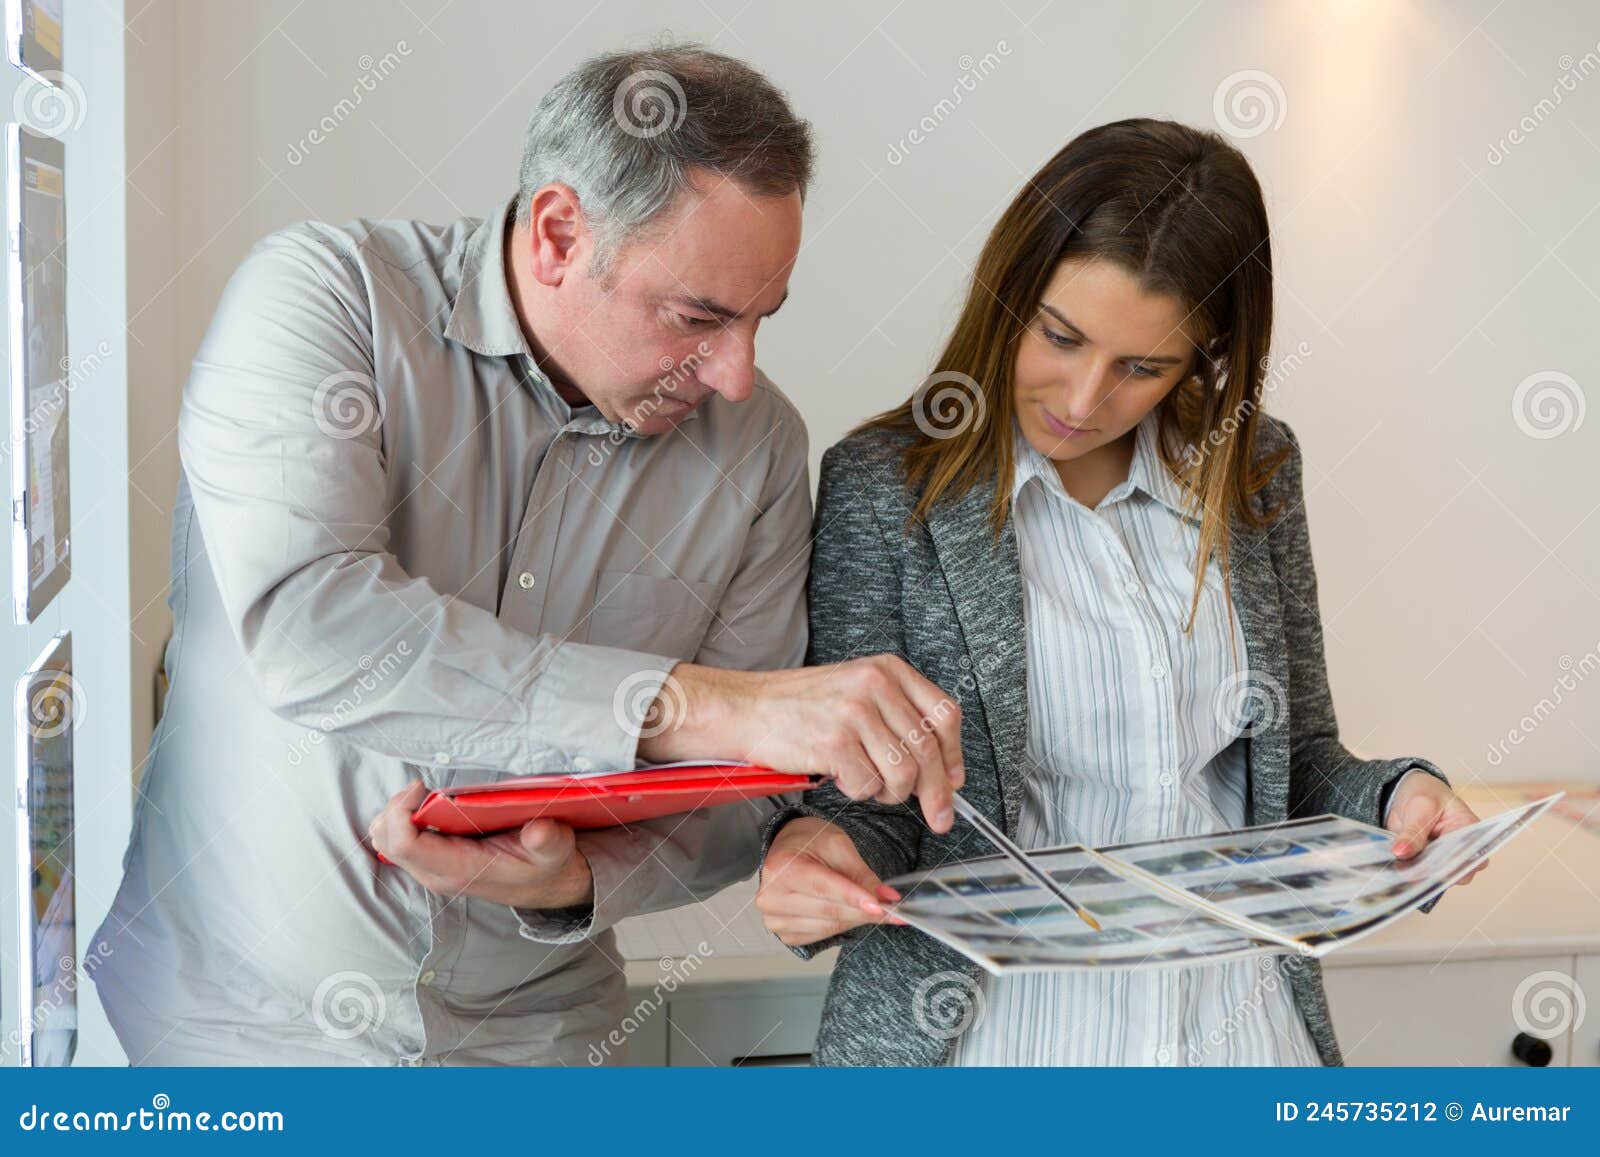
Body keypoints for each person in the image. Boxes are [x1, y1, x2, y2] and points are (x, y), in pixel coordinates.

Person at [89, 43, 962, 1067]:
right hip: (232, 1035)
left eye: (761, 319)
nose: (736, 375)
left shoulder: (759, 446)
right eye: (698, 318)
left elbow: (747, 796)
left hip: (546, 1041)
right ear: (557, 233)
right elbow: (313, 629)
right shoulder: (326, 300)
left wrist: (580, 882)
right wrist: (700, 702)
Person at [755, 118, 1487, 1067]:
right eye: (1059, 336)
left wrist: (1399, 796)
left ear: (1207, 357)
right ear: (1007, 294)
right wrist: (813, 854)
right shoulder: (886, 484)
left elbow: (1296, 763)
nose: (1082, 396)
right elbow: (865, 799)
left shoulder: (1253, 471)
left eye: (1143, 367)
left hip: (1236, 1036)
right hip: (990, 1048)